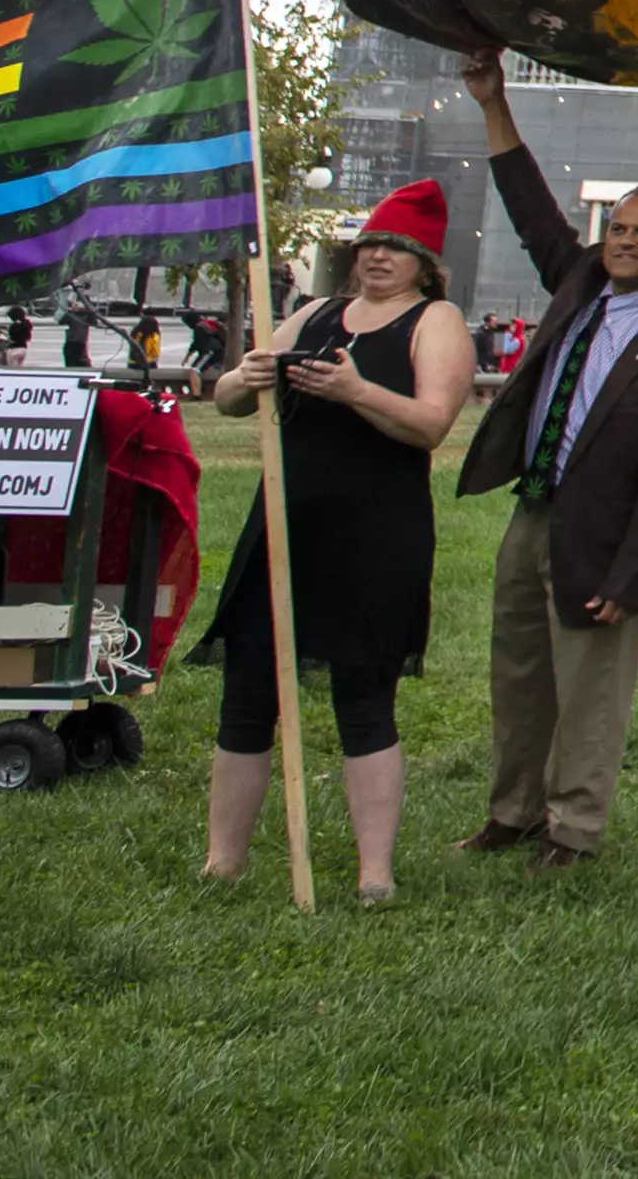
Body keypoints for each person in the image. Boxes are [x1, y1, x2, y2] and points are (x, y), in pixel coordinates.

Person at [456, 55, 638, 871]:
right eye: (618, 228)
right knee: (521, 674)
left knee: (591, 691)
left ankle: (573, 830)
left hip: (600, 536)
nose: (626, 241)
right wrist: (494, 104)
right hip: (531, 513)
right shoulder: (576, 284)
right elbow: (528, 204)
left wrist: (632, 573)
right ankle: (514, 810)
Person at [198, 179, 473, 903]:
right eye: (372, 243)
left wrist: (355, 390)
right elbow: (228, 397)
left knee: (363, 694)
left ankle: (373, 873)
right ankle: (222, 861)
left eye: (399, 248)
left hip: (374, 531)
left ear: (425, 262)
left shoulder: (435, 320)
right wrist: (246, 374)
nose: (380, 257)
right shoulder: (314, 312)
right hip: (287, 523)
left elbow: (431, 423)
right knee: (249, 691)